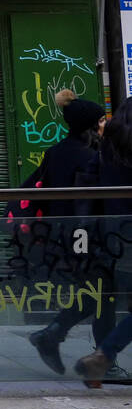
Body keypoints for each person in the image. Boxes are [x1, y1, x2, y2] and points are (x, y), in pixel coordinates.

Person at [23, 93, 105, 374]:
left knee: (98, 292)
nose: (104, 125)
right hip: (85, 238)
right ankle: (103, 358)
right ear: (90, 126)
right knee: (101, 293)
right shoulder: (90, 157)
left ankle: (53, 334)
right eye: (101, 121)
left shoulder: (55, 152)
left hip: (62, 236)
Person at [68, 101, 132, 386]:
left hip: (113, 237)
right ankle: (105, 354)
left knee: (105, 300)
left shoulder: (106, 147)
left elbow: (87, 185)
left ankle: (105, 355)